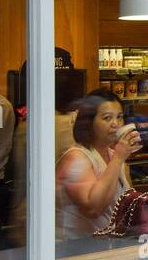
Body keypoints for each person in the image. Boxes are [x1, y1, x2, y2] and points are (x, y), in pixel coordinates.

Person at [54, 90, 141, 240]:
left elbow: (127, 201)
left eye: (119, 117)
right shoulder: (76, 158)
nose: (116, 124)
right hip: (75, 250)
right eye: (107, 118)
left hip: (107, 246)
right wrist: (119, 158)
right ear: (89, 122)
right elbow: (93, 208)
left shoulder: (114, 156)